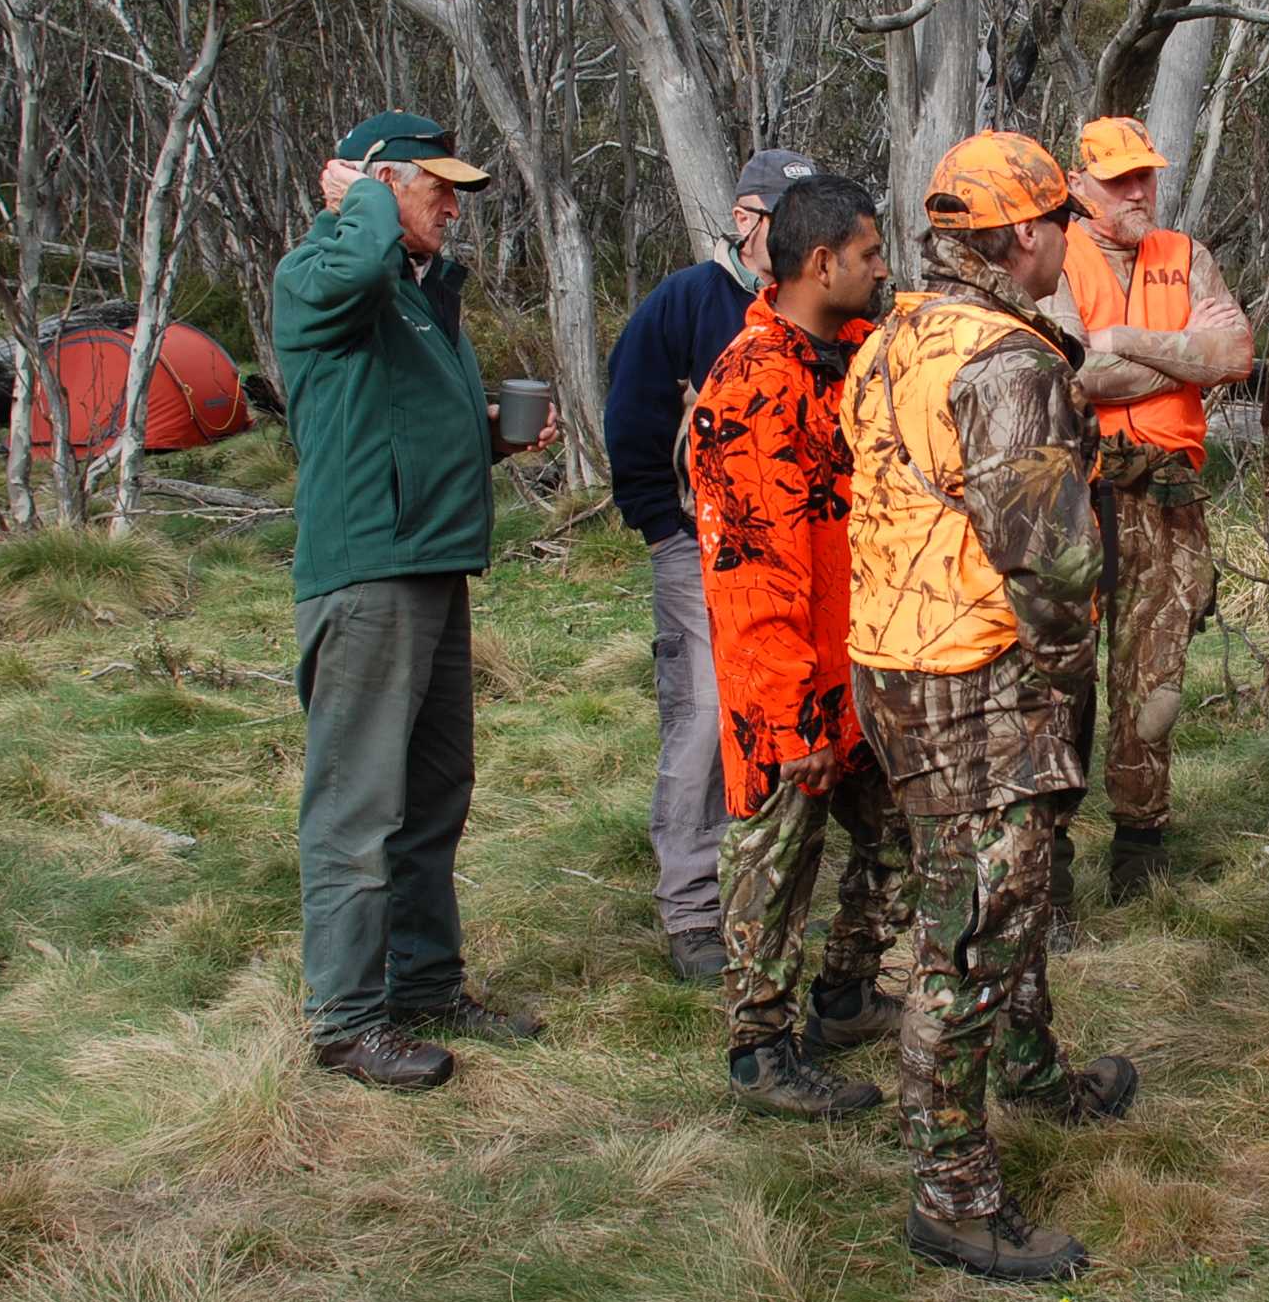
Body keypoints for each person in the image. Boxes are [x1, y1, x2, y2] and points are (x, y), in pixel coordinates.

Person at [843, 131, 1140, 1281]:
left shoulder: (895, 336)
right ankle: (952, 1196)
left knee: (986, 892)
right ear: (1022, 234)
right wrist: (1061, 683)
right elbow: (1052, 561)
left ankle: (1028, 1068)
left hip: (897, 662)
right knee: (969, 929)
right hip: (973, 675)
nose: (1068, 235)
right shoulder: (1005, 363)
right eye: (1058, 217)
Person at [276, 111, 559, 1091]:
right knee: (358, 808)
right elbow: (349, 272)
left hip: (432, 565)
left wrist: (489, 436)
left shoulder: (412, 298)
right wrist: (354, 193)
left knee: (435, 795)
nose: (452, 202)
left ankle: (427, 982)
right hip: (367, 574)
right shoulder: (323, 274)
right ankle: (347, 1021)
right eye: (433, 183)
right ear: (380, 184)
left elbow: (394, 429)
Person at [689, 173, 912, 1120]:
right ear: (821, 263)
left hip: (866, 663)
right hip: (789, 681)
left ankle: (847, 994)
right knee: (775, 861)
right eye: (868, 253)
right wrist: (791, 715)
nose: (881, 267)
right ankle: (760, 1050)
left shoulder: (857, 356)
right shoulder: (751, 386)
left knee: (898, 836)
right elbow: (750, 574)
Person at [604, 148, 824, 980]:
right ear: (747, 221)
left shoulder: (819, 310)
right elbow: (630, 413)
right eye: (788, 217)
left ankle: (765, 897)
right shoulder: (690, 301)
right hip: (698, 553)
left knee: (793, 716)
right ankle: (693, 911)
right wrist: (664, 529)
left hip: (801, 560)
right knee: (702, 719)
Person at [1044, 115, 1253, 912]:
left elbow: (1234, 355)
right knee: (1062, 677)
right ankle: (1051, 859)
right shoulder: (1055, 253)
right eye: (1120, 178)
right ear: (1079, 181)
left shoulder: (1188, 254)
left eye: (1146, 175)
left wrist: (1122, 339)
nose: (1139, 191)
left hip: (1169, 495)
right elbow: (1073, 377)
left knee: (1156, 681)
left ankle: (1140, 853)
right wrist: (1177, 358)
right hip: (1075, 492)